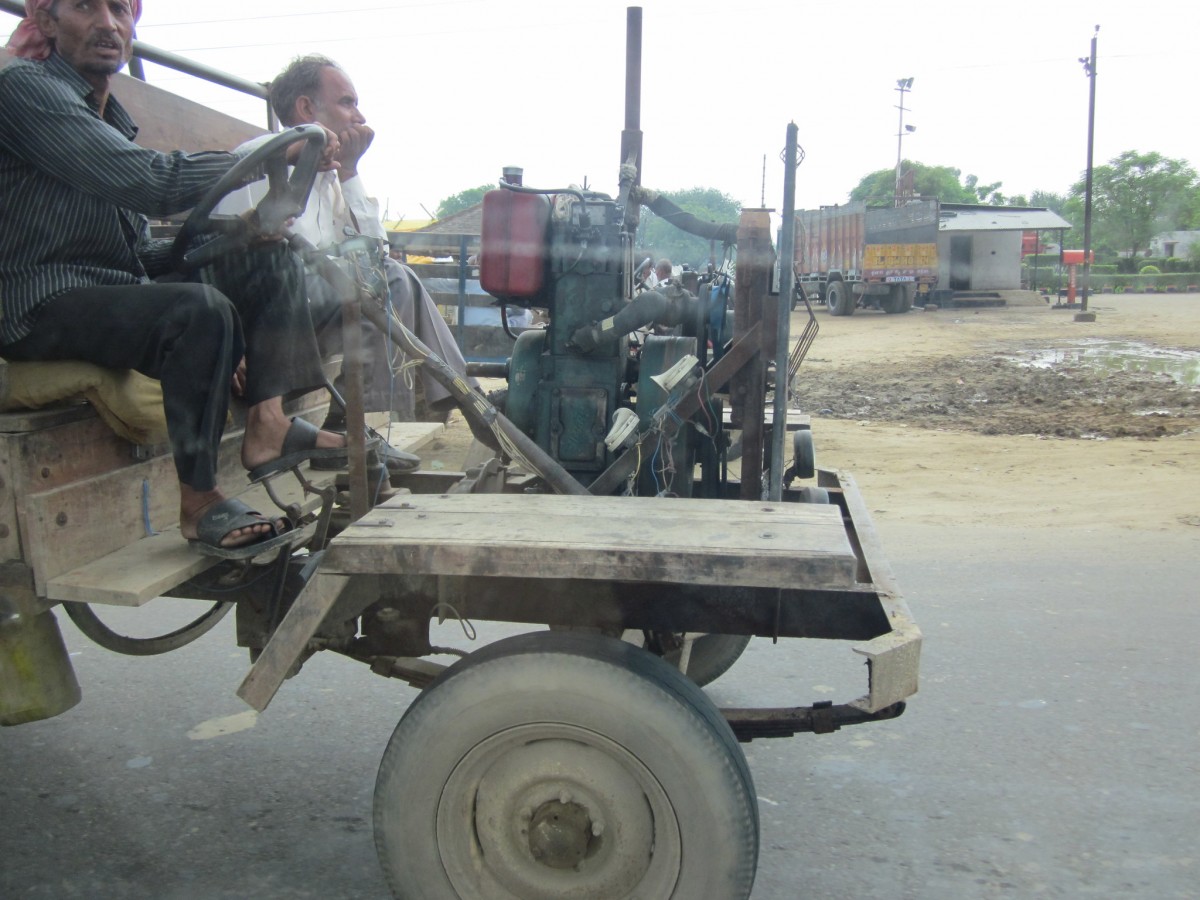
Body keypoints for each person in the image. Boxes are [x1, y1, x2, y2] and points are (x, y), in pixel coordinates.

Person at [0, 0, 350, 559]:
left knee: (272, 256)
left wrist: (239, 234)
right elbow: (150, 185)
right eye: (86, 7)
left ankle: (267, 424)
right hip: (37, 300)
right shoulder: (25, 91)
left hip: (113, 288)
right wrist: (266, 152)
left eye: (120, 9)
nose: (109, 24)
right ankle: (200, 501)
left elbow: (139, 253)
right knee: (200, 311)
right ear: (46, 22)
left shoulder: (107, 115)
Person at [268, 54, 477, 436]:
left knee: (396, 276)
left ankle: (457, 397)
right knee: (392, 279)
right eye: (347, 103)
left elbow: (372, 255)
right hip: (273, 318)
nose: (360, 117)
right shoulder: (263, 158)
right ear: (306, 108)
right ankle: (367, 426)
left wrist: (349, 172)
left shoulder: (328, 179)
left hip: (312, 313)